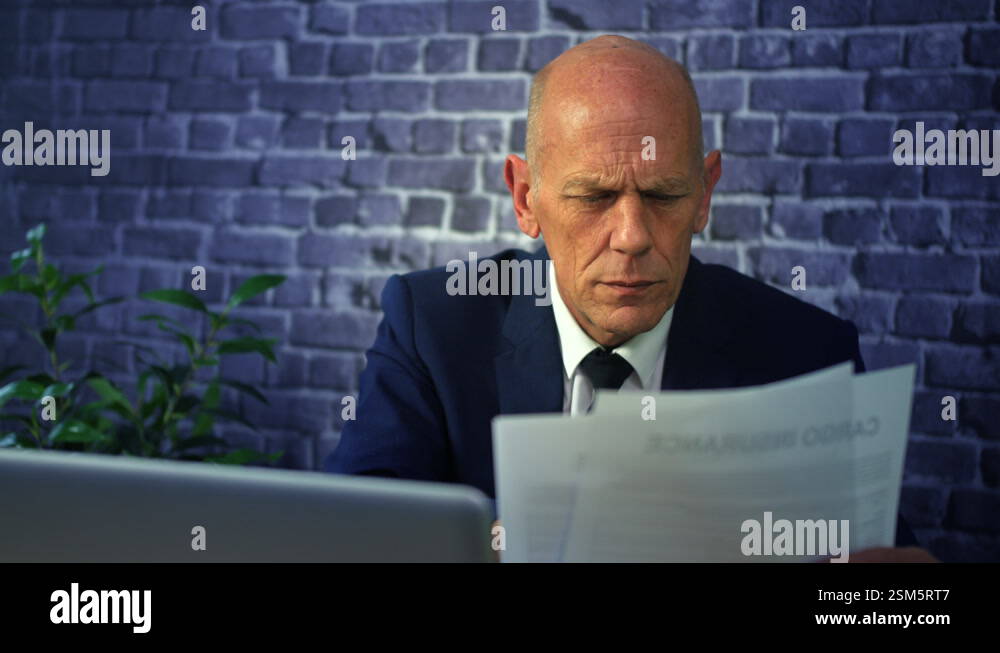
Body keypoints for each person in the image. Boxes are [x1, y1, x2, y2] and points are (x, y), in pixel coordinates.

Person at [326, 35, 935, 562]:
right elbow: (352, 541)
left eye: (664, 196)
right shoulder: (432, 325)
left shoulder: (809, 355)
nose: (633, 237)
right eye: (593, 197)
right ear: (525, 198)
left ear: (704, 194)